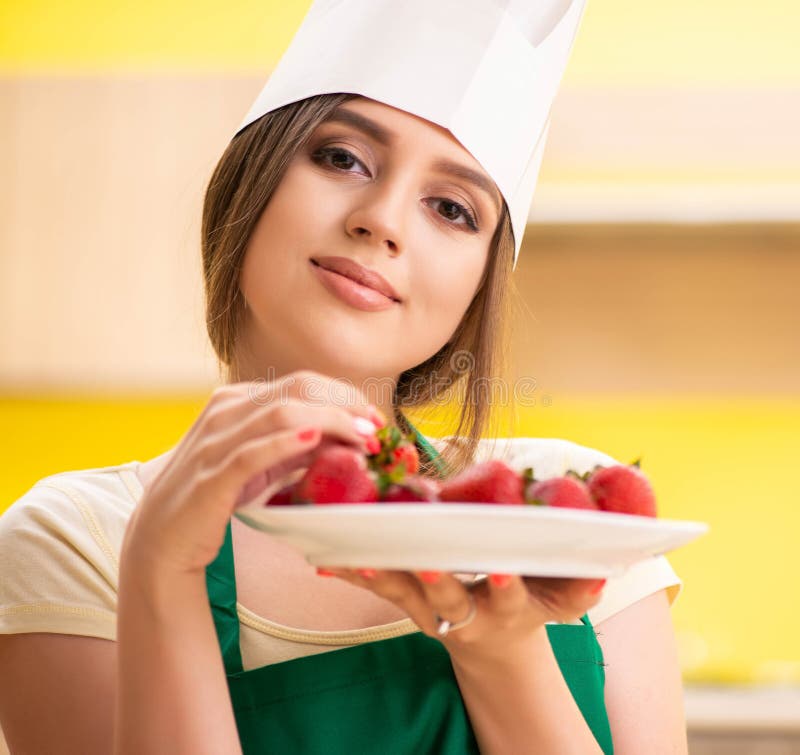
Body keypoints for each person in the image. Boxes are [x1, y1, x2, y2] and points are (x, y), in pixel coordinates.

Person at [0, 1, 688, 753]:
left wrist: (500, 644)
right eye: (342, 157)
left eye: (452, 208)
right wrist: (161, 566)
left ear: (476, 289)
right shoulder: (76, 541)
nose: (383, 219)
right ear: (254, 176)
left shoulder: (568, 519)